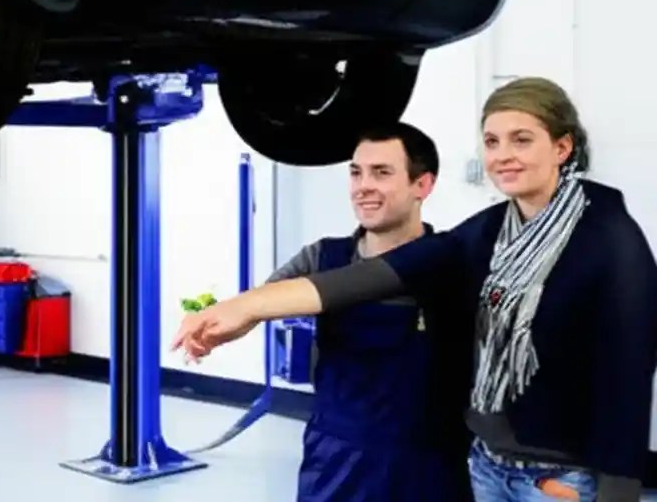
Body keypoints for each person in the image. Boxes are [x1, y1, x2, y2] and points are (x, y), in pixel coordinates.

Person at [173, 77, 657, 502]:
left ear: (562, 148)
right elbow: (376, 275)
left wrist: (617, 494)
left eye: (521, 140)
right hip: (484, 467)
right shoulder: (487, 233)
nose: (502, 155)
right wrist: (244, 309)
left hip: (554, 479)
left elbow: (627, 388)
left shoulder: (612, 242)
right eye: (491, 141)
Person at [260, 121, 474, 502]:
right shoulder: (323, 257)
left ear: (422, 185)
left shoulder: (449, 263)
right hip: (336, 460)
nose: (363, 186)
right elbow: (268, 299)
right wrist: (227, 319)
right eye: (356, 173)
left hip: (426, 466)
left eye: (382, 173)